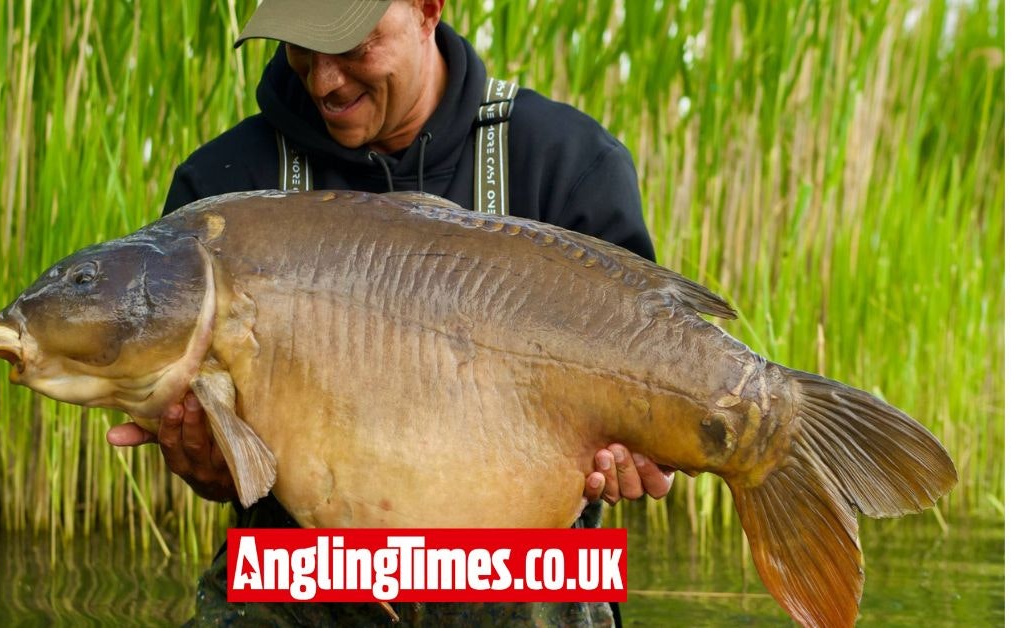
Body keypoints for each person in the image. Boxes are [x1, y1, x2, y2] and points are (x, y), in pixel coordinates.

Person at [107, 0, 674, 625]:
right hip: (298, 575)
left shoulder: (565, 163)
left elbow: (646, 383)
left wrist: (639, 450)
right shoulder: (221, 190)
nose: (324, 81)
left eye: (351, 46)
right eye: (301, 48)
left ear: (428, 8)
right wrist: (207, 465)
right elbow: (221, 467)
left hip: (523, 571)